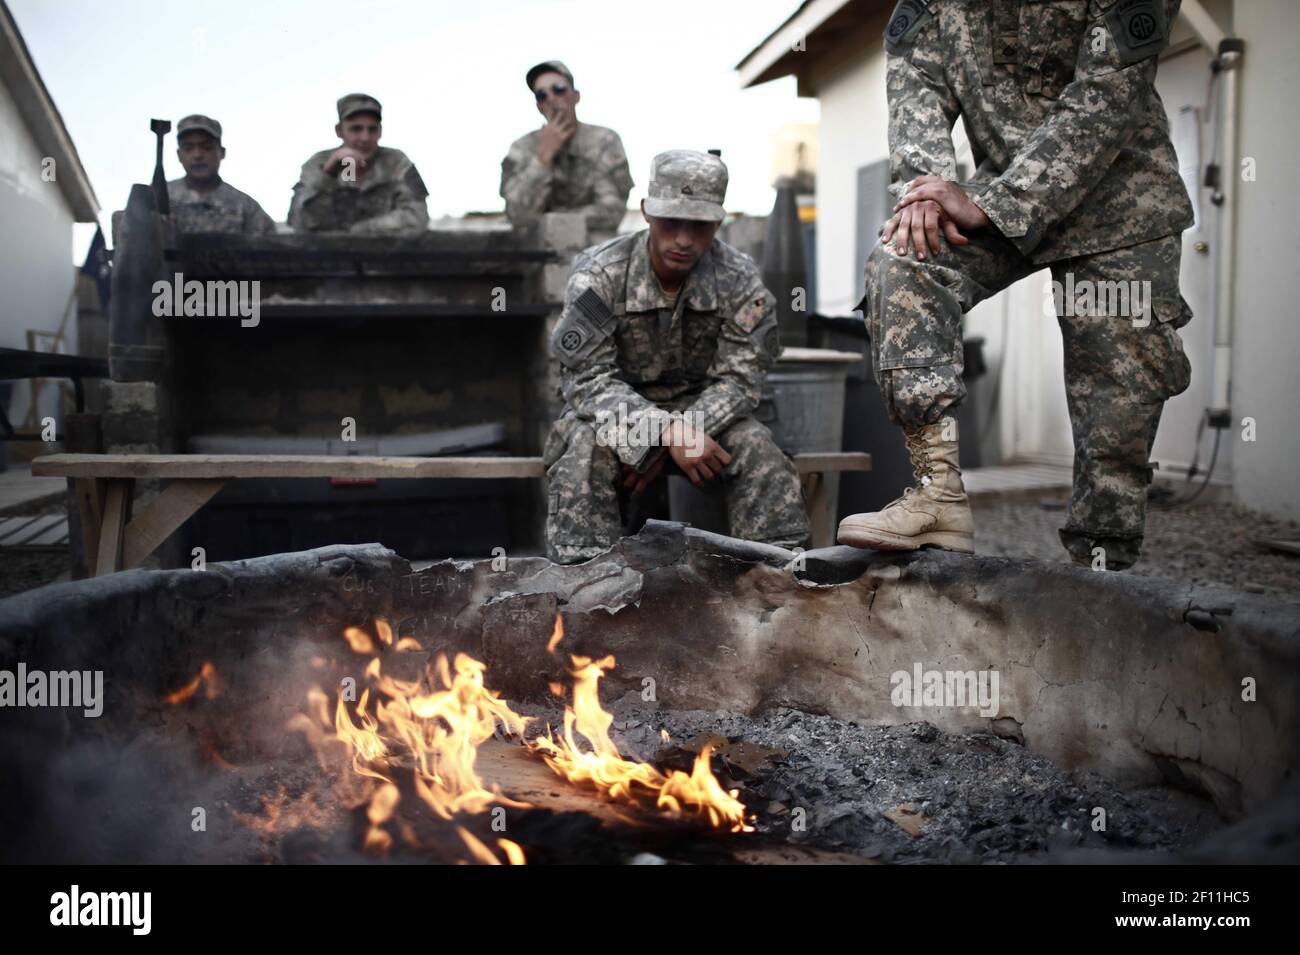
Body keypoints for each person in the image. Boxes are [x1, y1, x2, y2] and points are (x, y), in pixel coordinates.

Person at [838, 0, 1194, 570]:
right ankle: (940, 497)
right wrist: (927, 194)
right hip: (995, 195)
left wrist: (999, 204)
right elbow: (917, 91)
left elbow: (1104, 99)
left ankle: (1101, 569)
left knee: (1118, 404)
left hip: (1120, 205)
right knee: (905, 256)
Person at [544, 149, 809, 564]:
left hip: (705, 416)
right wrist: (660, 434)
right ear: (647, 211)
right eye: (671, 222)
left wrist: (679, 433)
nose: (684, 239)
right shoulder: (600, 275)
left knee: (760, 450)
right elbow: (586, 379)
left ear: (718, 222)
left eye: (699, 225)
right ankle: (582, 583)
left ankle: (779, 578)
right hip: (617, 414)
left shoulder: (738, 278)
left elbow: (742, 378)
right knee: (582, 448)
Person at [500, 60, 634, 244]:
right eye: (541, 95)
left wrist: (553, 220)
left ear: (576, 96)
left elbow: (611, 211)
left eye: (559, 89)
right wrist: (542, 161)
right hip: (541, 254)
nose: (551, 98)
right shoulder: (522, 147)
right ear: (539, 106)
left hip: (592, 250)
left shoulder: (604, 140)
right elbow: (517, 216)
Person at [288, 93, 429, 233]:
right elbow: (299, 222)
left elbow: (417, 217)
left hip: (387, 252)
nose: (365, 138)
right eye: (356, 129)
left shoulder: (398, 163)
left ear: (380, 131)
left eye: (372, 129)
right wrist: (328, 174)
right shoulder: (317, 164)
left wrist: (358, 230)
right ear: (339, 131)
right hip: (328, 253)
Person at [167, 114, 275, 235]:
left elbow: (273, 247)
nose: (197, 155)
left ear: (222, 153)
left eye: (207, 147)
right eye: (188, 148)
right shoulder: (158, 198)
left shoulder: (246, 207)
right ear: (178, 155)